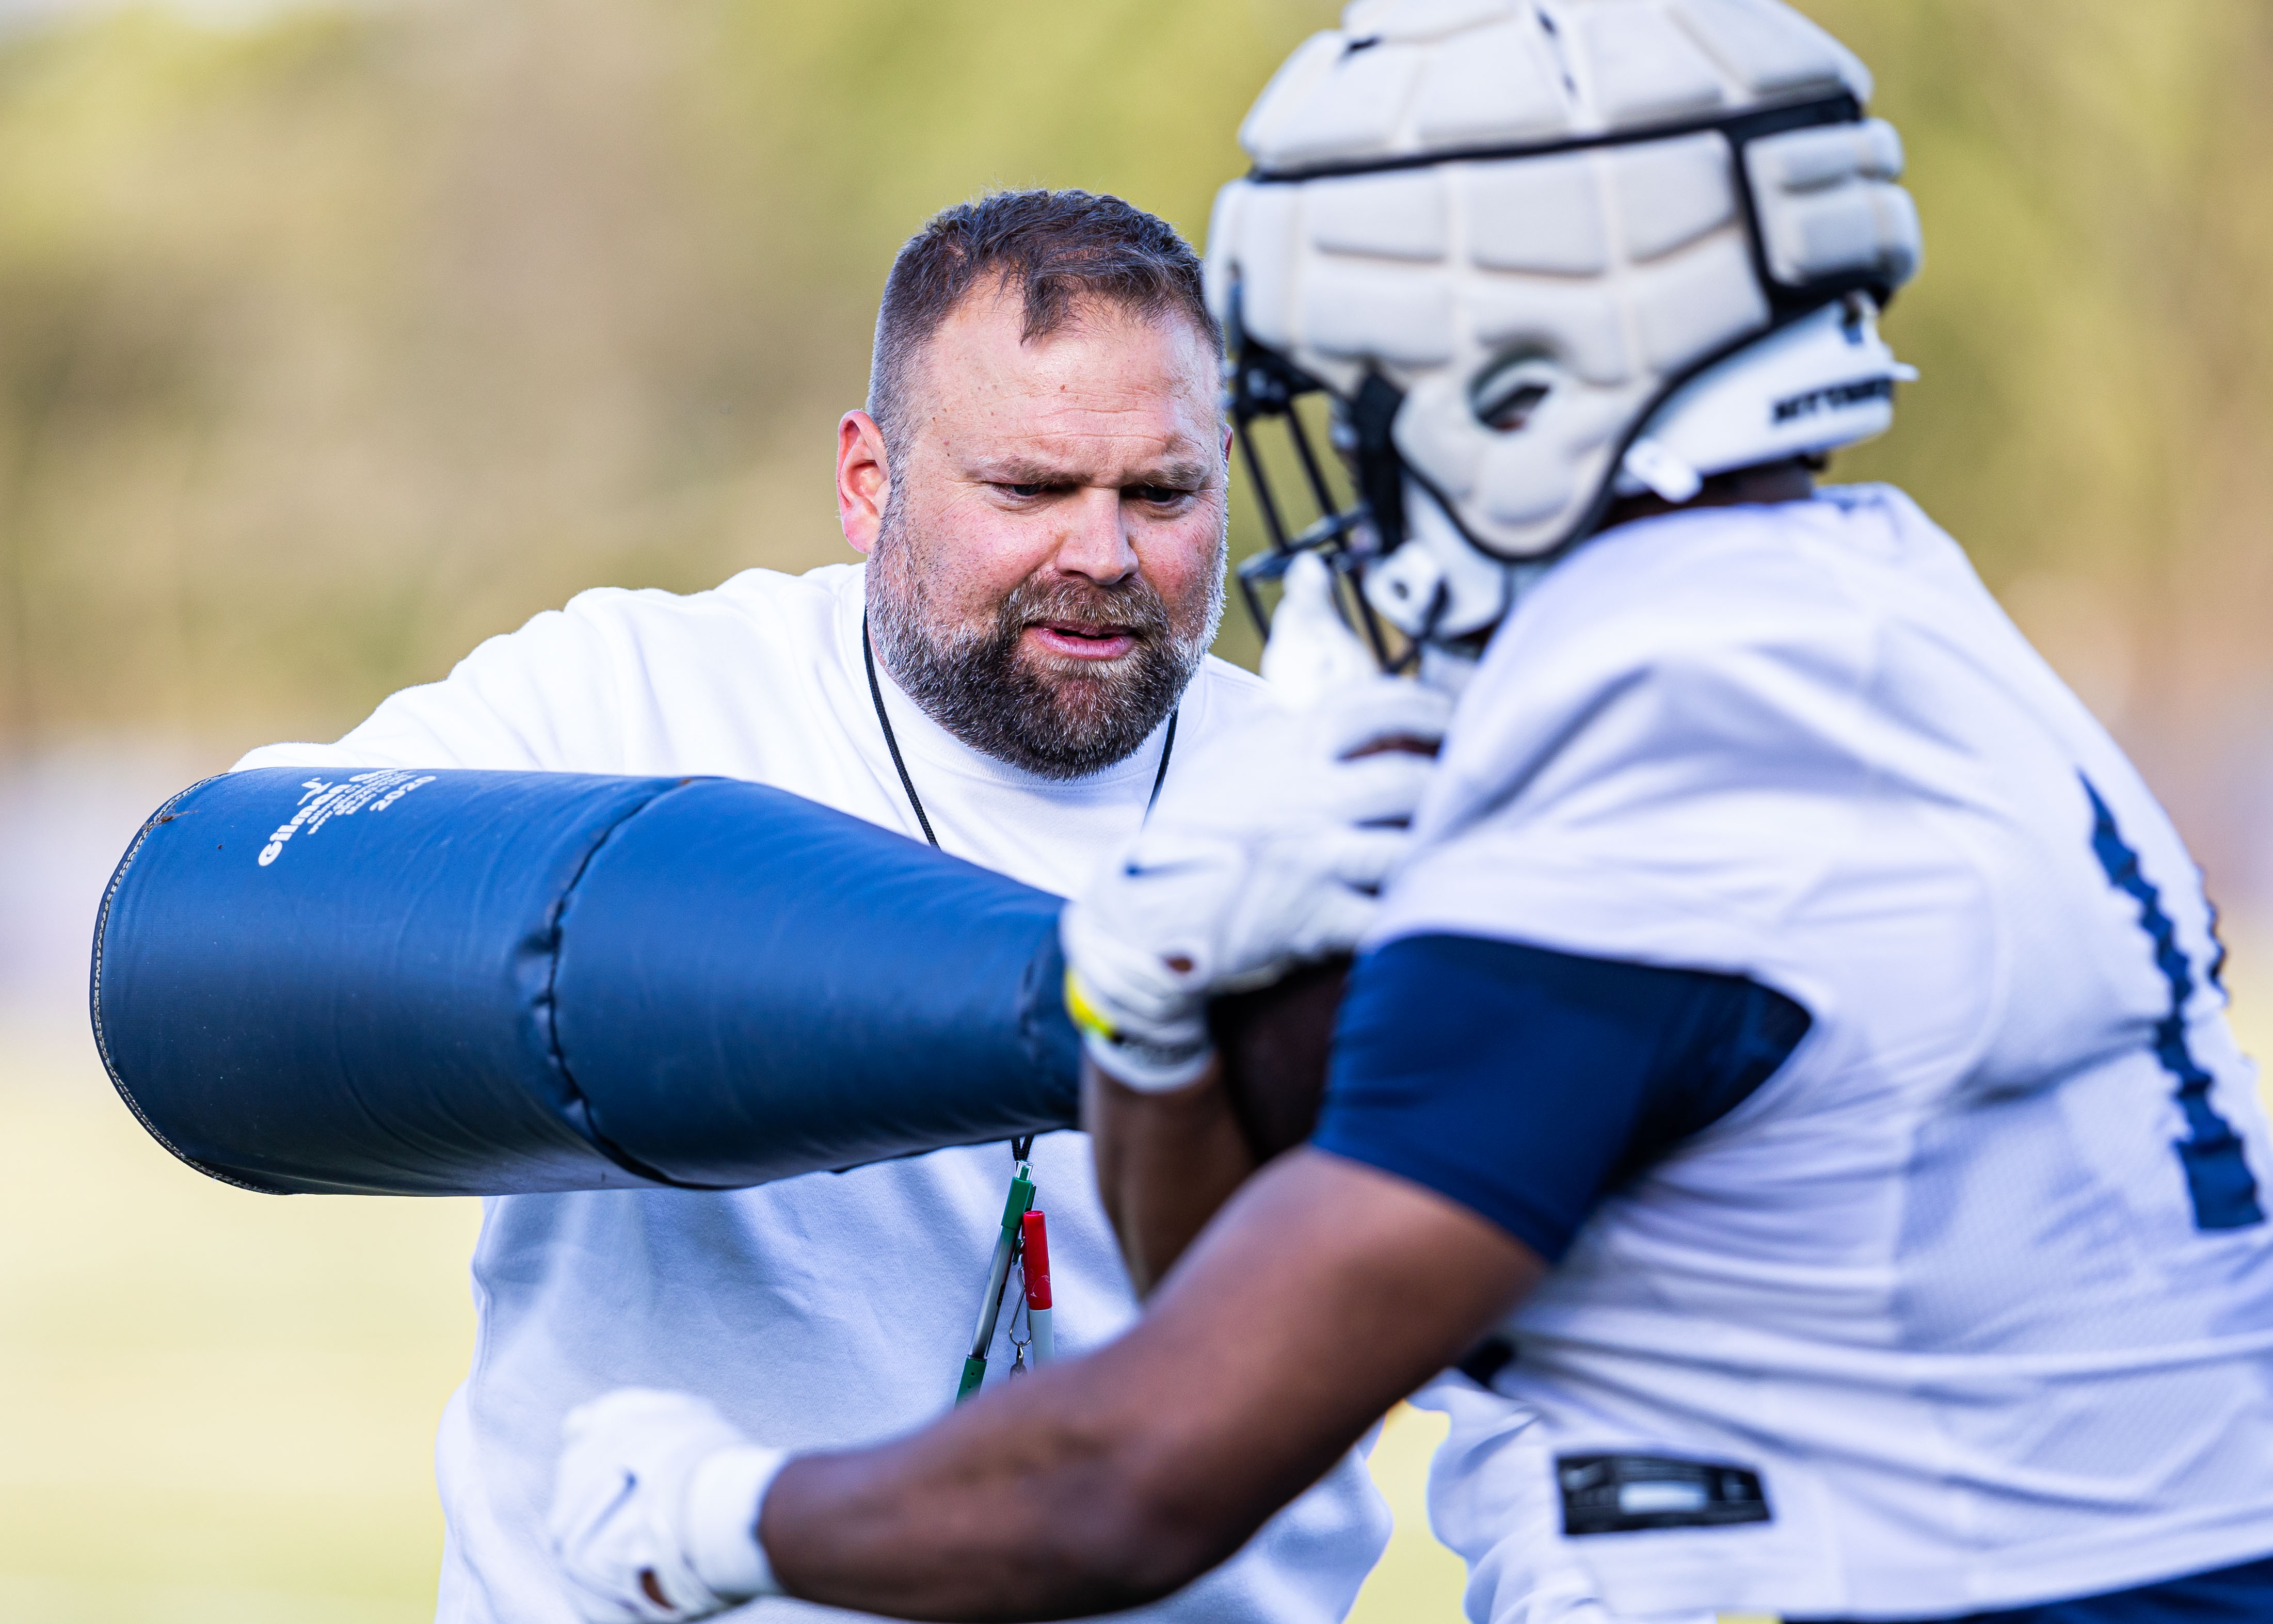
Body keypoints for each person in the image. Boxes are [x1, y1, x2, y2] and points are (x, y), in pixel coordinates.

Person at [548, 2, 2273, 1621]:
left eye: (1364, 397)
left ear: (1520, 389)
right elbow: (1236, 1283)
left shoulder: (1668, 751)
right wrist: (1145, 1011)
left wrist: (712, 1514)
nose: (1341, 465)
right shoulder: (1863, 598)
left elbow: (1139, 1474)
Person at [235, 189, 1397, 1623]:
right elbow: (243, 899)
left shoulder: (1337, 796)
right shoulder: (636, 692)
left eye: (1160, 493)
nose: (1102, 554)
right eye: (1028, 489)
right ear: (867, 481)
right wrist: (1058, 996)